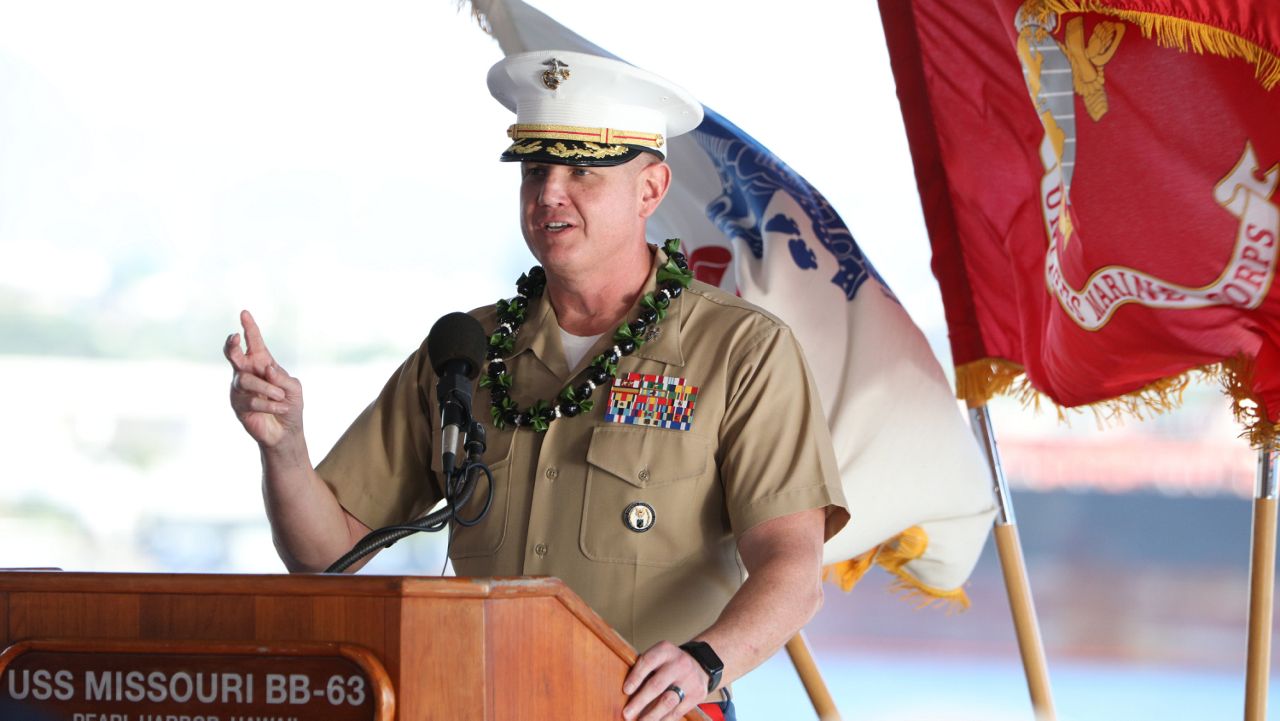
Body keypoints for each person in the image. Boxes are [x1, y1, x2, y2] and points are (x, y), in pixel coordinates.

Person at [225, 50, 848, 721]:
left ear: (651, 189)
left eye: (583, 168)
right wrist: (283, 446)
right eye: (535, 168)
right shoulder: (463, 353)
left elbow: (793, 567)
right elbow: (326, 555)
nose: (550, 191)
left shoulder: (740, 350)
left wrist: (706, 660)